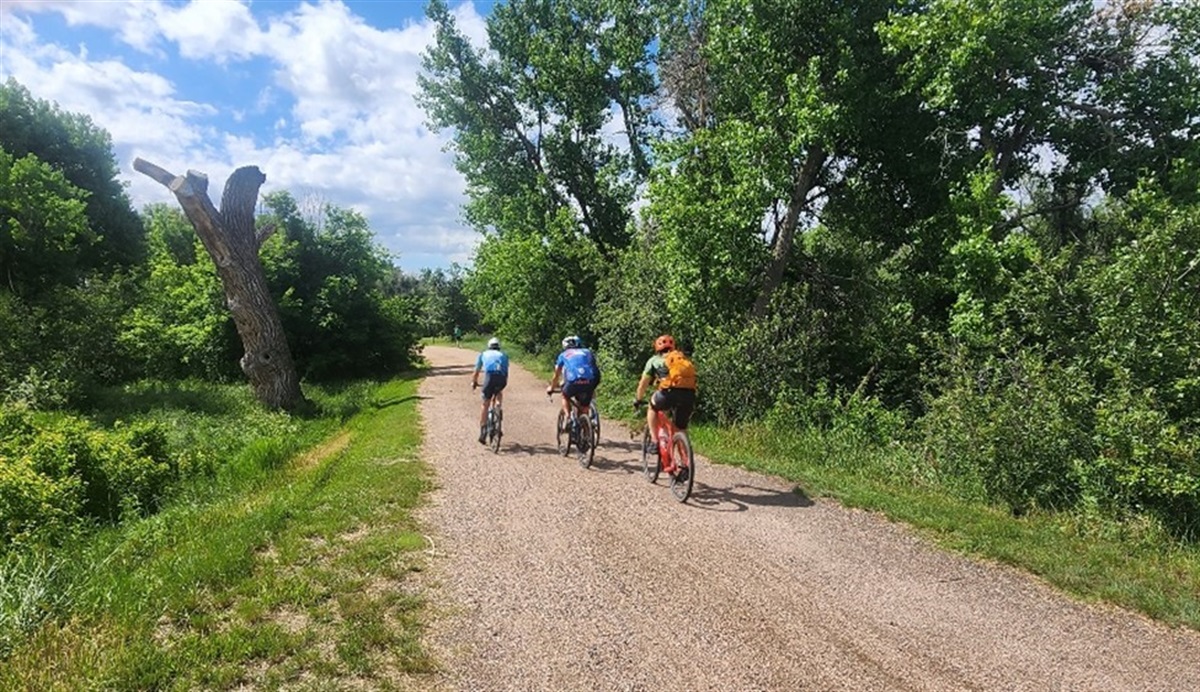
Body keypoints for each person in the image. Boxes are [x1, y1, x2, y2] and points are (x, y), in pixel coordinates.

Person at [634, 334, 697, 444]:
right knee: (680, 428)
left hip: (667, 393)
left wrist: (638, 399)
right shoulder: (682, 358)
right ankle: (686, 458)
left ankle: (654, 440)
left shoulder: (654, 360)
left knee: (652, 407)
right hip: (689, 394)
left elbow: (643, 384)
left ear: (657, 347)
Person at [546, 335, 600, 428]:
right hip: (591, 380)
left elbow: (556, 374)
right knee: (584, 405)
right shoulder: (587, 352)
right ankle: (586, 427)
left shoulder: (563, 355)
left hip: (573, 381)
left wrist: (552, 387)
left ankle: (568, 418)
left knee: (565, 396)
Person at [472, 337, 509, 444]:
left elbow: (476, 371)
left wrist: (474, 382)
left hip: (489, 378)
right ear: (498, 347)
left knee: (485, 403)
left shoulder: (483, 354)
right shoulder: (504, 355)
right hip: (502, 378)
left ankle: (483, 432)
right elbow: (506, 371)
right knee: (498, 393)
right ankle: (498, 409)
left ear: (489, 346)